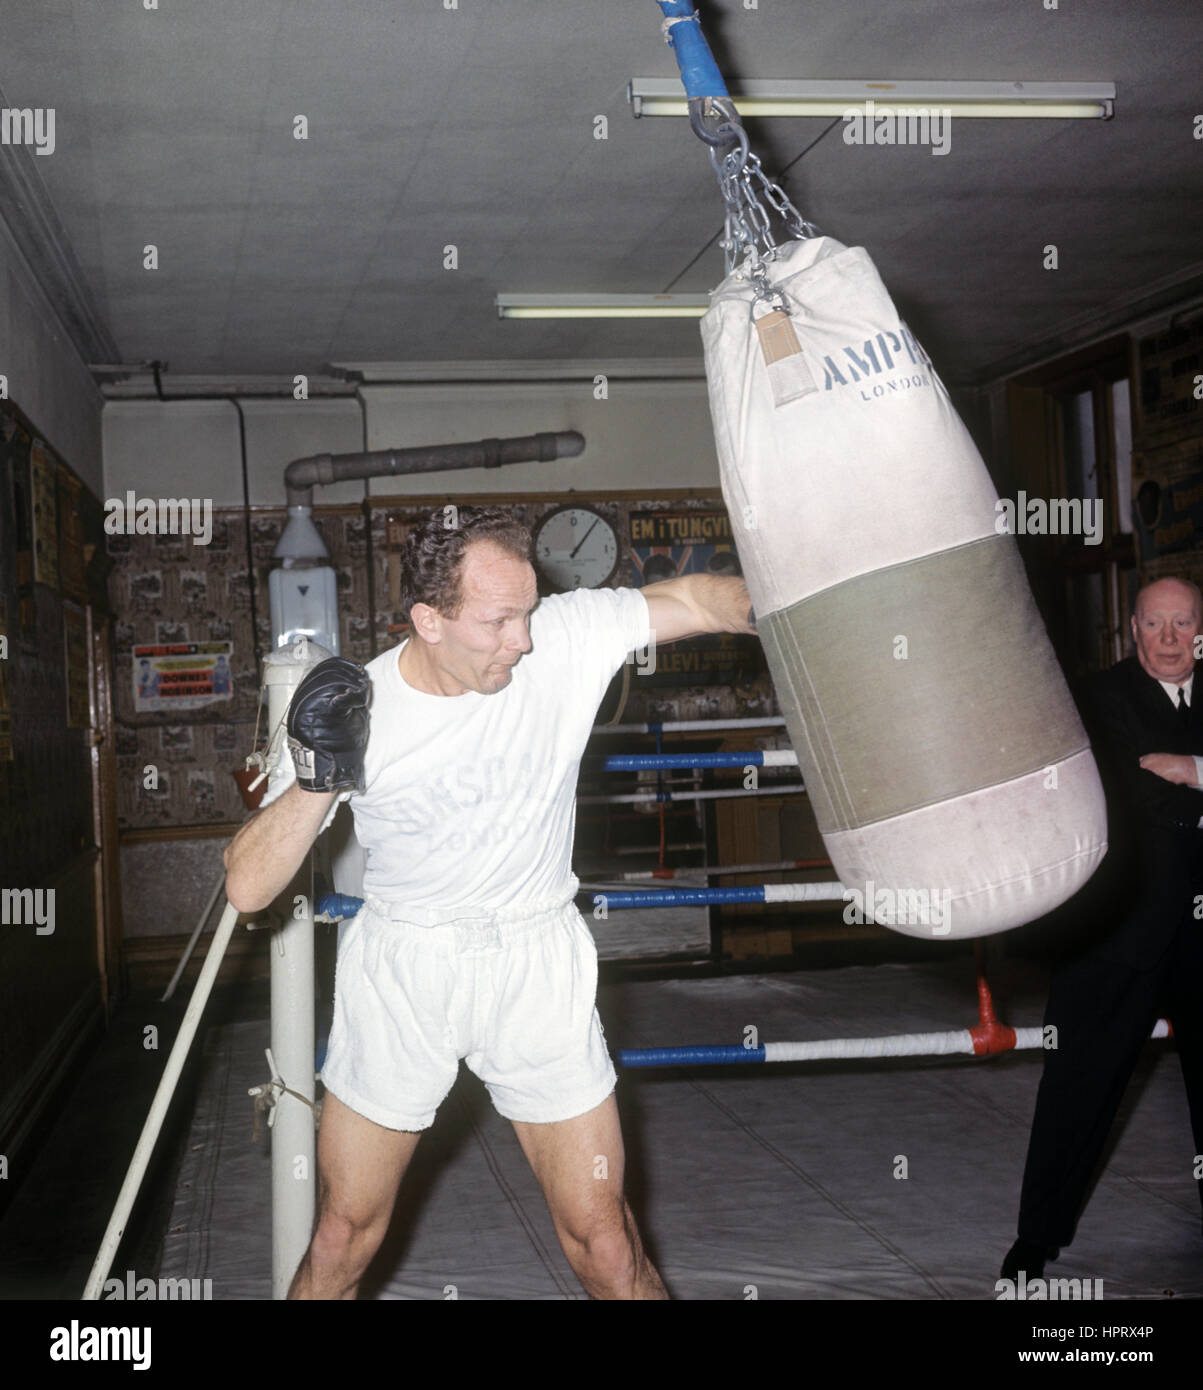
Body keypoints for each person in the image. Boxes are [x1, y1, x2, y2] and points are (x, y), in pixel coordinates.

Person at [224, 506, 756, 1300]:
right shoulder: (360, 705)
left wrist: (824, 601)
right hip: (407, 969)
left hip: (534, 960)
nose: (525, 639)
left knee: (605, 1241)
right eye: (499, 620)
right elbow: (247, 885)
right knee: (342, 1235)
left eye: (529, 610)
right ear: (427, 621)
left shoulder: (564, 638)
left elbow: (703, 601)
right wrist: (315, 779)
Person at [1002, 576, 1203, 1280]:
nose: (1171, 639)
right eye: (1156, 624)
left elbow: (1172, 794)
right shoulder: (1096, 699)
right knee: (1075, 1092)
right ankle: (1033, 1244)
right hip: (1117, 933)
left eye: (1184, 623)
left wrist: (1195, 769)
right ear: (1132, 629)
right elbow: (1136, 796)